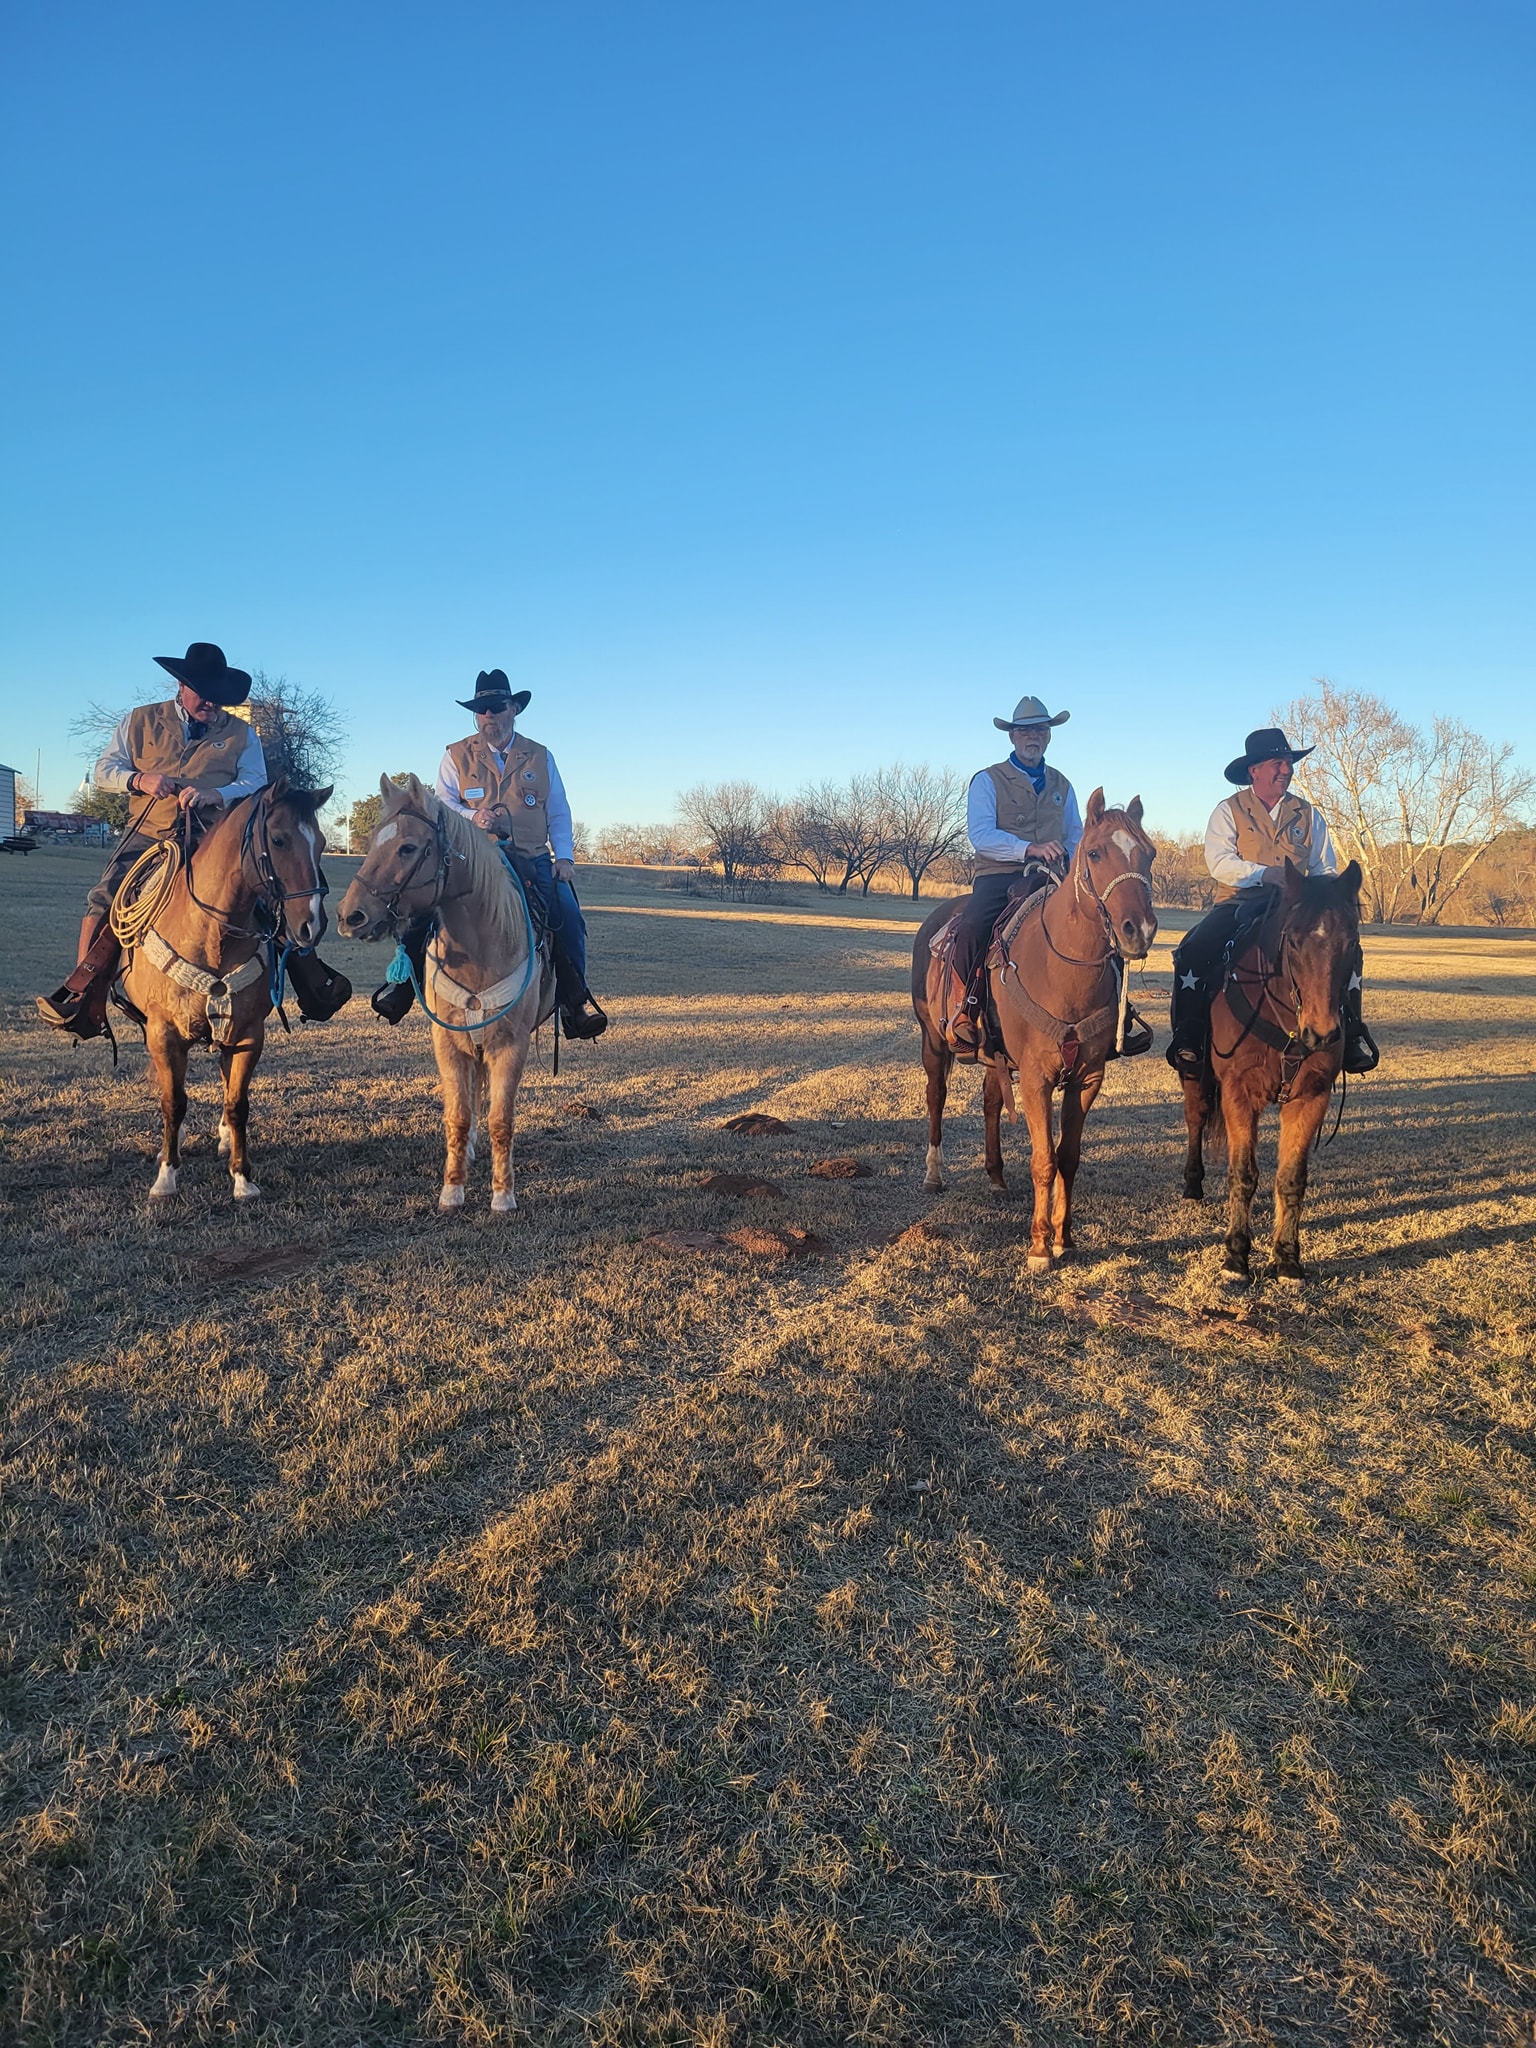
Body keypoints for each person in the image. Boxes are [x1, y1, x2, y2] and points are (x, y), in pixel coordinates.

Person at [36, 642, 351, 1039]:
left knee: (272, 892)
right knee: (106, 897)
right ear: (182, 687)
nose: (212, 704)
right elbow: (105, 769)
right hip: (150, 832)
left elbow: (255, 780)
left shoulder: (241, 734)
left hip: (215, 834)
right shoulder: (140, 721)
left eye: (219, 698)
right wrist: (140, 780)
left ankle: (312, 982)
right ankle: (83, 999)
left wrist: (216, 795)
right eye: (205, 695)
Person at [371, 670, 607, 1038]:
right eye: (480, 710)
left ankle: (574, 1001)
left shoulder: (541, 757)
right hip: (470, 860)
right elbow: (442, 805)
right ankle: (404, 984)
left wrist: (564, 858)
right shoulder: (455, 755)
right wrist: (472, 816)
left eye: (495, 708)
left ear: (514, 709)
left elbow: (558, 811)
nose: (488, 717)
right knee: (421, 906)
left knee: (568, 915)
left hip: (530, 857)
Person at [1165, 726, 1378, 1077]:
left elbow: (1324, 867)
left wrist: (1314, 895)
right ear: (1255, 771)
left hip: (1298, 909)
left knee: (1348, 952)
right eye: (1277, 763)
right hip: (1239, 902)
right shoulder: (1228, 811)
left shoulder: (1308, 815)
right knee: (1193, 949)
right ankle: (1190, 1036)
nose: (1286, 770)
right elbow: (1219, 862)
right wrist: (1264, 874)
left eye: (1289, 763)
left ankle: (1351, 1033)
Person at [949, 694, 1083, 1052]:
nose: (1032, 737)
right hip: (1001, 874)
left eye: (1039, 729)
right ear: (1012, 737)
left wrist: (1066, 857)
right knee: (975, 924)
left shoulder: (1062, 785)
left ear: (1049, 735)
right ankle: (965, 1009)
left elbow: (1076, 835)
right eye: (1024, 731)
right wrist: (1029, 848)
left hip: (1053, 877)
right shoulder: (988, 780)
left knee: (1099, 924)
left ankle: (1114, 1012)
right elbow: (981, 835)